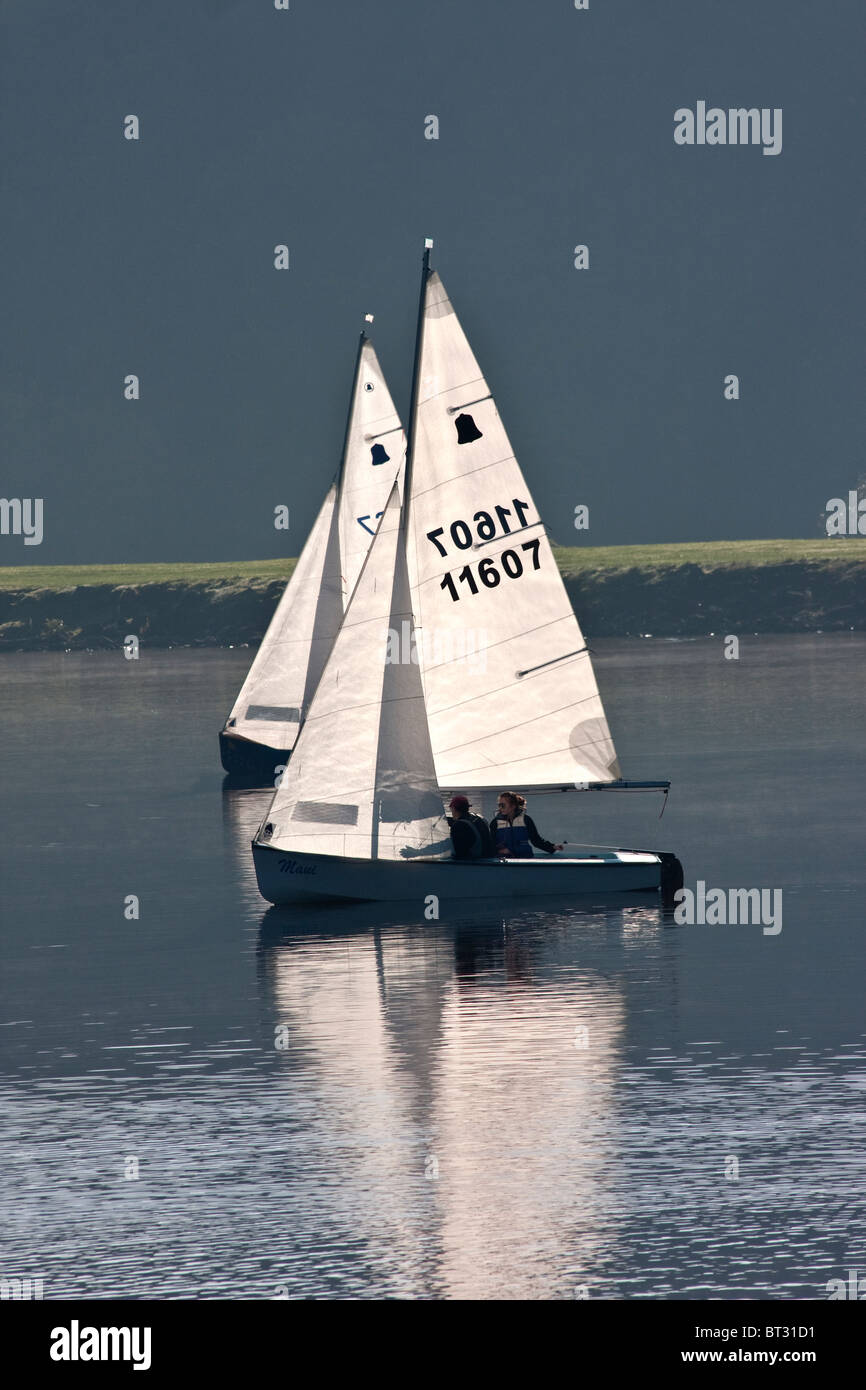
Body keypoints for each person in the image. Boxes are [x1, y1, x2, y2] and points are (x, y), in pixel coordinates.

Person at [490, 791, 564, 858]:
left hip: (525, 859)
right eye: (499, 805)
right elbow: (491, 844)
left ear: (513, 806)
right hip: (504, 861)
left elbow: (536, 840)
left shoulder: (526, 820)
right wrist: (499, 851)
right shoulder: (495, 823)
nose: (500, 808)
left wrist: (552, 847)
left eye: (502, 805)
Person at [448, 795, 495, 860]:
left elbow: (459, 851)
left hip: (474, 863)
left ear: (453, 808)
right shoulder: (480, 818)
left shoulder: (459, 825)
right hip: (489, 859)